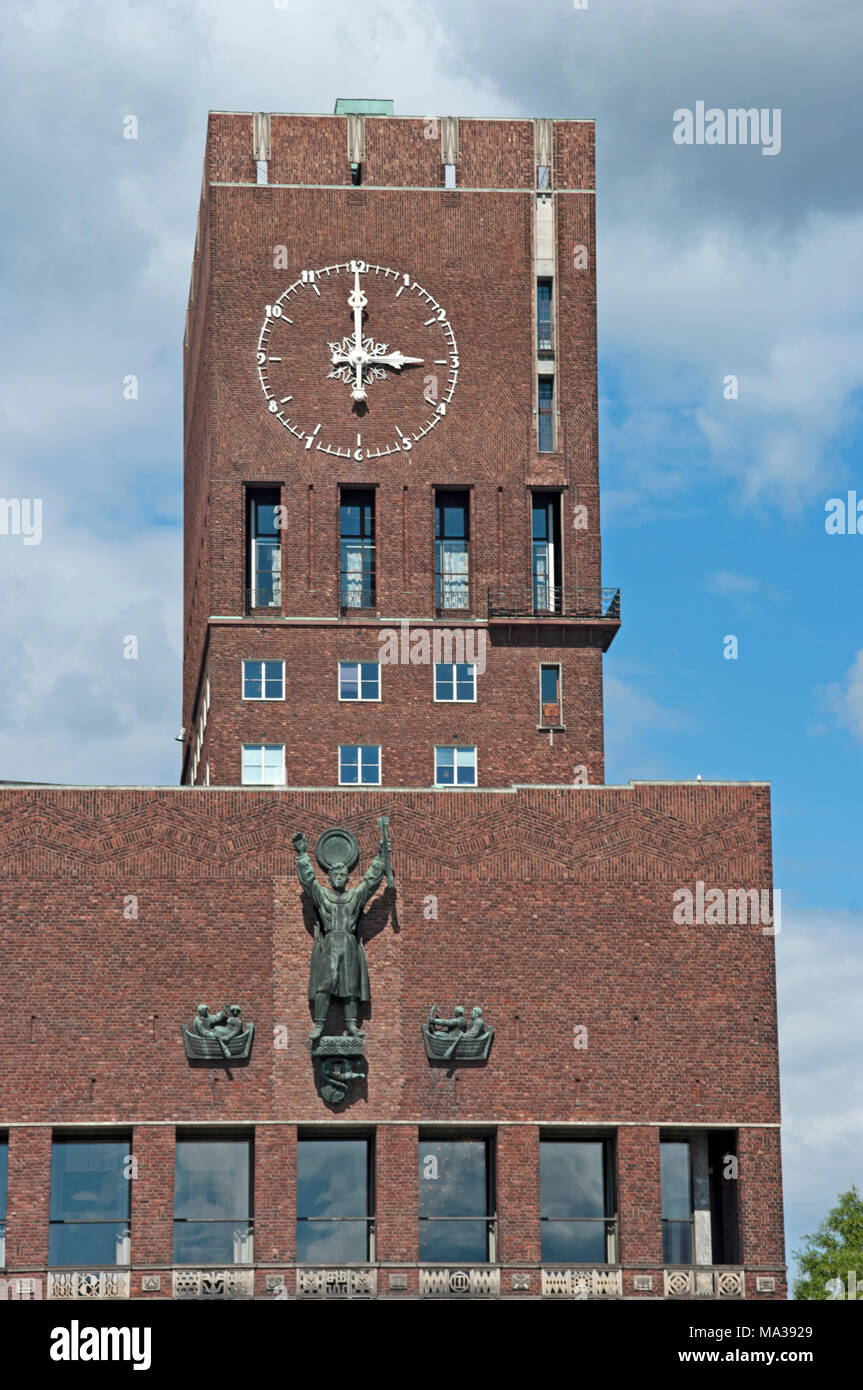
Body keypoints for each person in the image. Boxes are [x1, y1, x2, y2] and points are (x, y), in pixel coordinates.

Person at [293, 831, 387, 1041]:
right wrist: (301, 855)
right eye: (335, 875)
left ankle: (352, 1025)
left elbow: (371, 882)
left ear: (347, 878)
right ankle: (319, 1024)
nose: (339, 878)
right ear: (329, 878)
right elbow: (309, 882)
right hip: (330, 942)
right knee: (324, 983)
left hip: (350, 943)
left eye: (343, 875)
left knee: (350, 985)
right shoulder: (323, 896)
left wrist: (381, 858)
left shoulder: (354, 896)